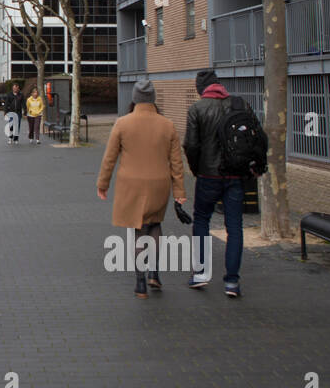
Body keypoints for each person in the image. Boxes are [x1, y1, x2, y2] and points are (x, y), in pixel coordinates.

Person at [96, 80, 187, 298]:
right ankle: (154, 274)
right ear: (153, 98)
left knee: (139, 230)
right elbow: (177, 163)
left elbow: (109, 159)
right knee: (155, 224)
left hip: (132, 185)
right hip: (159, 184)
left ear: (135, 98)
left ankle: (140, 283)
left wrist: (103, 184)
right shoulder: (168, 125)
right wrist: (180, 193)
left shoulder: (122, 123)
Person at [183, 69, 244, 297]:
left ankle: (200, 274)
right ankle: (232, 282)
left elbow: (191, 145)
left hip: (208, 175)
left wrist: (196, 169)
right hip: (235, 176)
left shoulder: (197, 109)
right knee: (235, 227)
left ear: (201, 89)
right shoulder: (239, 105)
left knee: (201, 220)